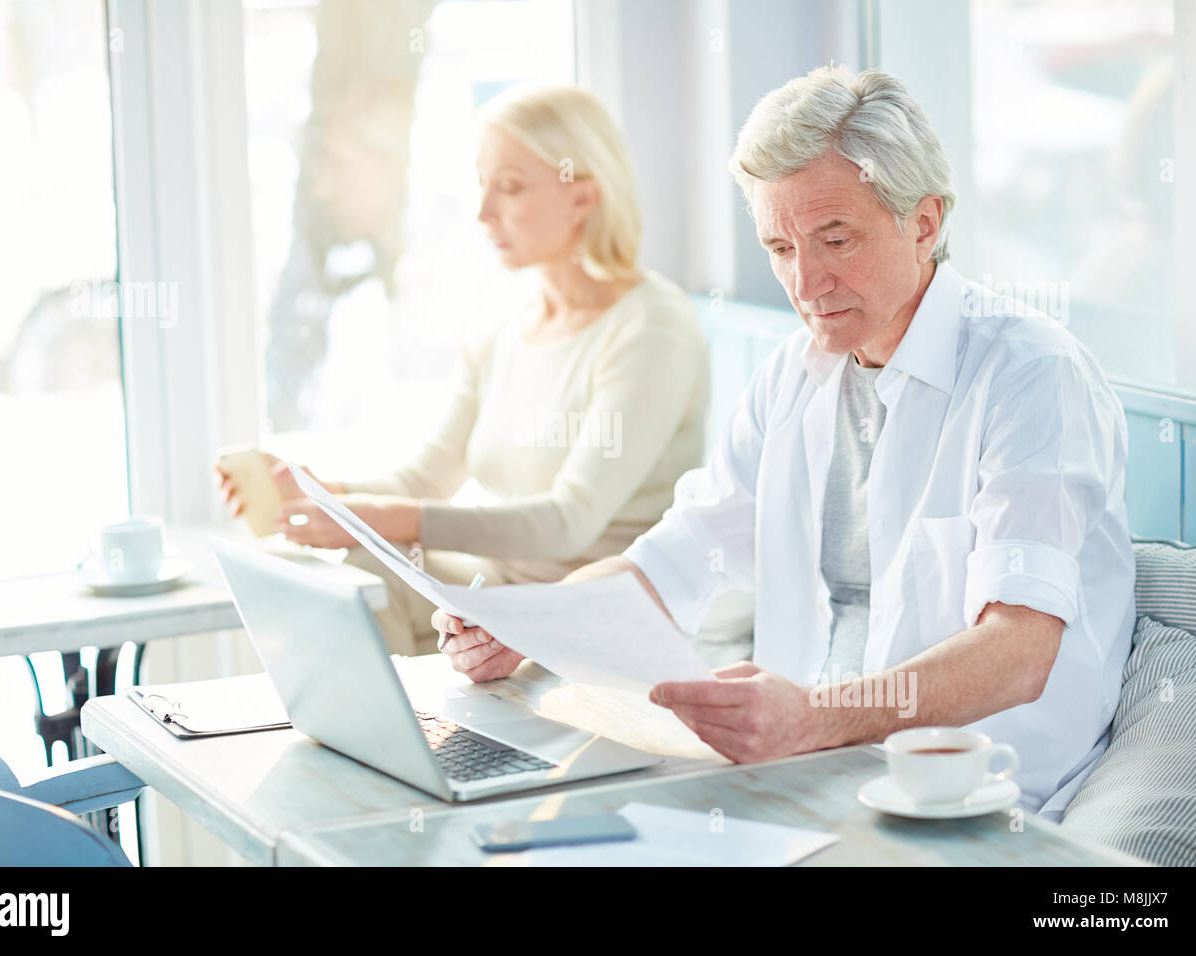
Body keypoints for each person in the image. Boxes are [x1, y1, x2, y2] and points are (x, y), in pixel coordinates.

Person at [433, 65, 1135, 821]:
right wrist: (528, 624)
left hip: (982, 800)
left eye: (836, 239)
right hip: (806, 780)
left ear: (925, 223)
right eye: (780, 246)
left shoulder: (1031, 376)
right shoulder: (795, 378)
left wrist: (816, 716)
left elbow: (1020, 650)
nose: (806, 282)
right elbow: (671, 561)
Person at [219, 84, 709, 657]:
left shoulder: (652, 328)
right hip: (502, 595)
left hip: (596, 618)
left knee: (374, 563)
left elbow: (567, 524)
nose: (483, 212)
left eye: (510, 187)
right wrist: (321, 492)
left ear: (582, 198)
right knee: (356, 577)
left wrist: (378, 518)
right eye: (482, 183)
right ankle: (383, 742)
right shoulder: (503, 326)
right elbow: (425, 481)